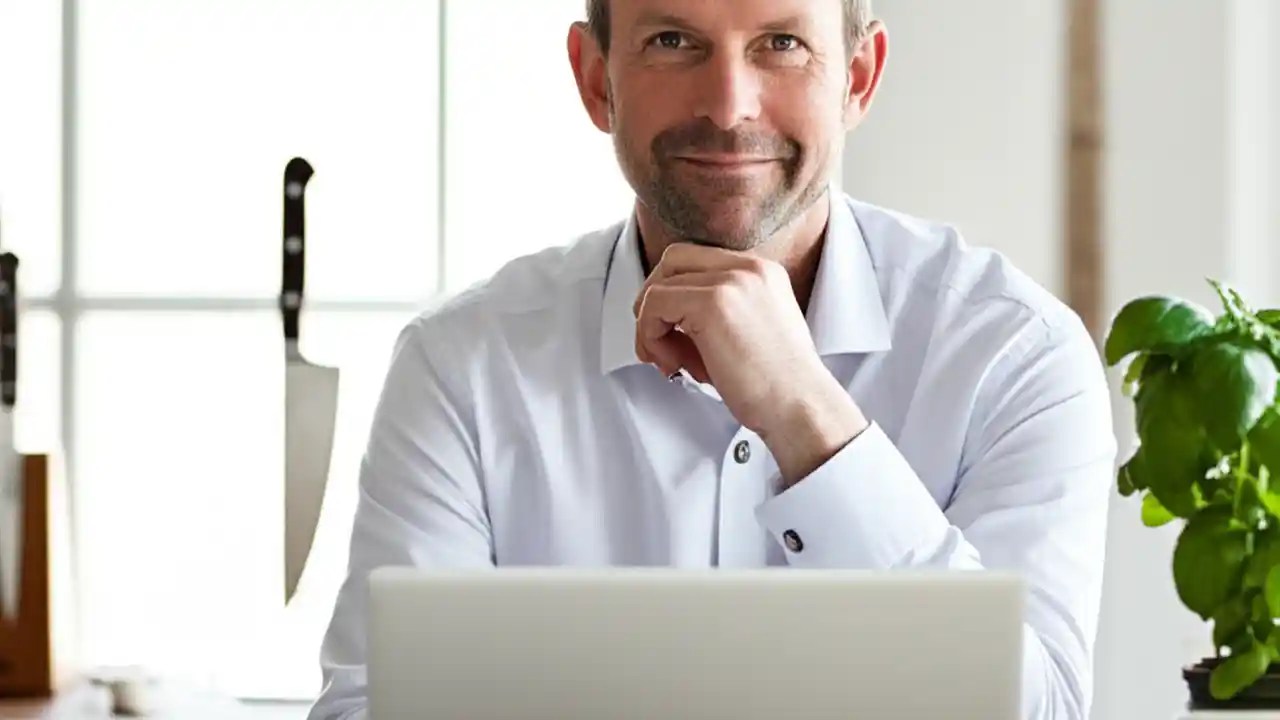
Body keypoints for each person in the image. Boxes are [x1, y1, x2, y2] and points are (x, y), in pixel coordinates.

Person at [308, 1, 1116, 718]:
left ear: (858, 77)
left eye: (782, 44)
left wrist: (807, 414)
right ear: (597, 79)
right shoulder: (463, 365)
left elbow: (1038, 710)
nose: (729, 107)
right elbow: (369, 707)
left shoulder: (1014, 355)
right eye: (671, 39)